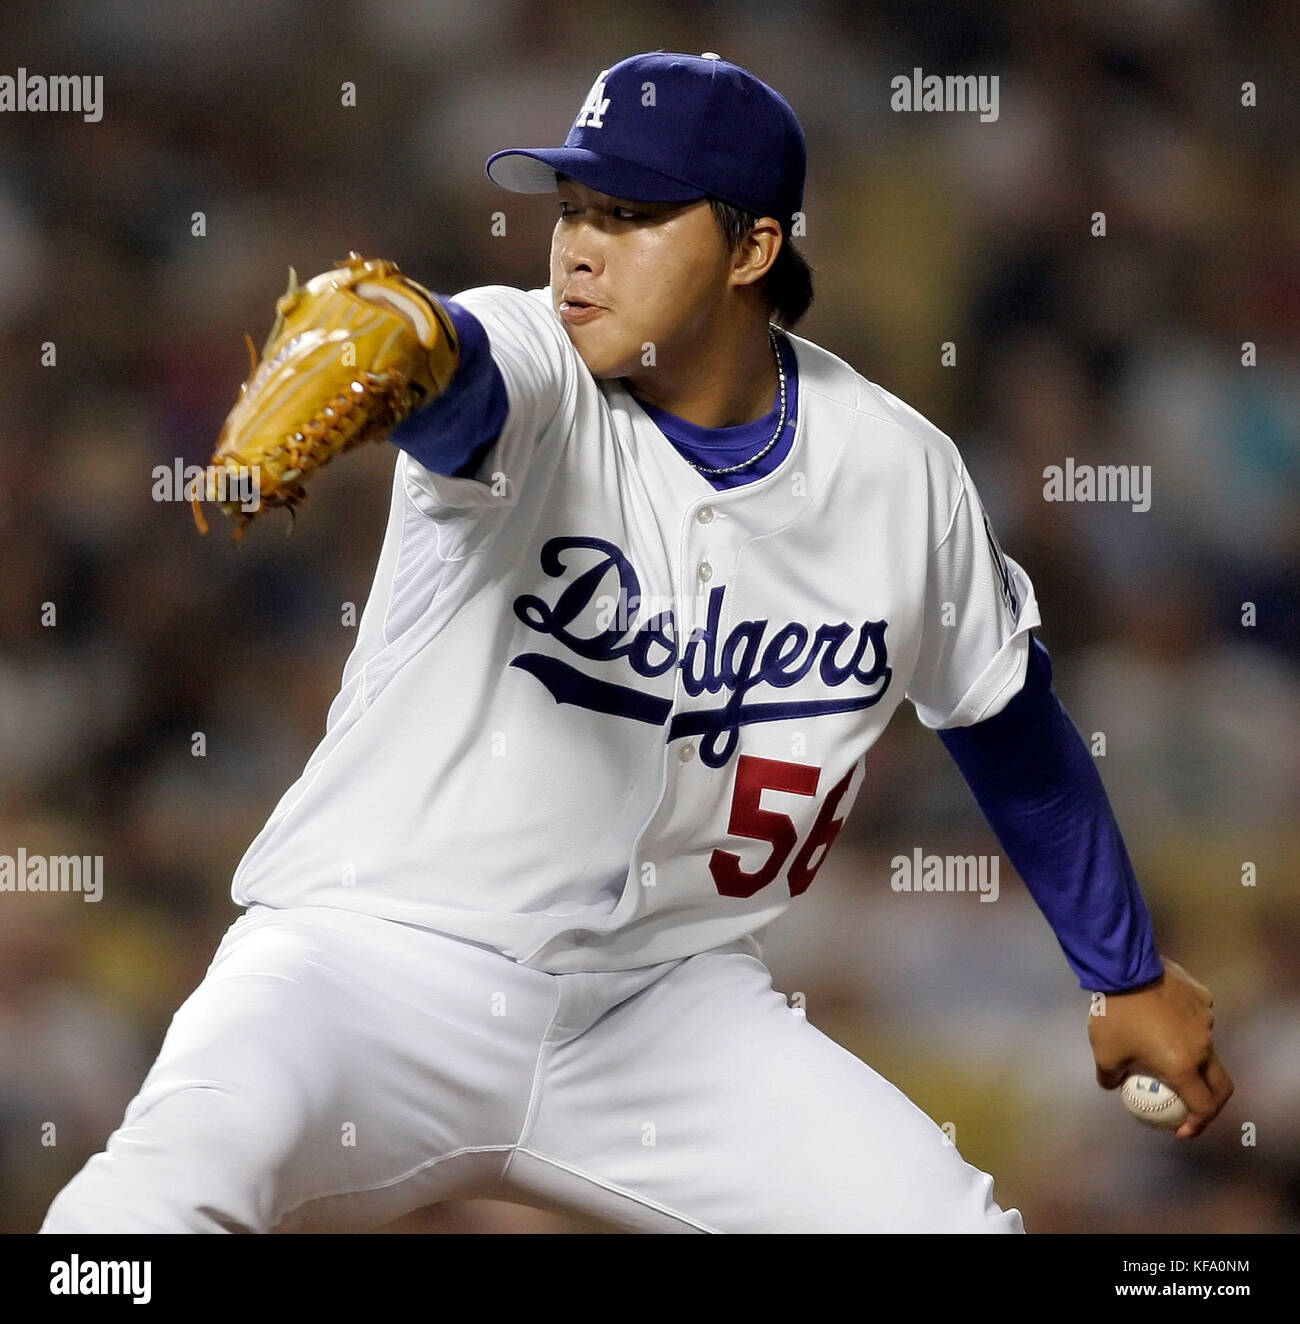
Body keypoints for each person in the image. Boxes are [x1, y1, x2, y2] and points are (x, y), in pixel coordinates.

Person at [41, 51, 1231, 1235]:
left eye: (632, 215)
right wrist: (416, 352)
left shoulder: (897, 471)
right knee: (140, 1216)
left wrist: (1120, 967)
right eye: (571, 210)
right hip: (369, 967)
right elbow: (465, 374)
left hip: (667, 1009)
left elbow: (1005, 718)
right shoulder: (539, 365)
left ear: (754, 247)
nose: (578, 248)